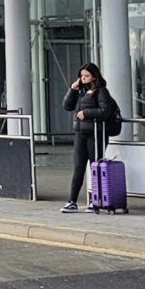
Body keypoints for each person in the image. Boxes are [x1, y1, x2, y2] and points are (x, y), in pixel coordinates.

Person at [61, 64, 114, 213]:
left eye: (86, 76)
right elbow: (67, 105)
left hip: (95, 133)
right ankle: (72, 201)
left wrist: (87, 113)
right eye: (81, 76)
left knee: (95, 166)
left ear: (94, 77)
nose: (83, 79)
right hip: (80, 133)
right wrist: (72, 90)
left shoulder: (101, 92)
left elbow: (105, 110)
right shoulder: (80, 92)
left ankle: (95, 200)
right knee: (78, 167)